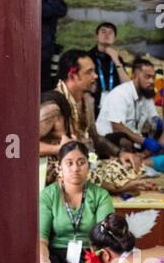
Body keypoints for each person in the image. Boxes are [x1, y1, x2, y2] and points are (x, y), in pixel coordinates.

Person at [39, 49, 142, 184]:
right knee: (123, 182)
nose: (95, 76)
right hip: (58, 169)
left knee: (133, 170)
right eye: (89, 72)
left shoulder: (85, 101)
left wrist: (120, 153)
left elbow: (96, 138)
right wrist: (58, 149)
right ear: (72, 76)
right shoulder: (52, 106)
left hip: (81, 163)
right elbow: (26, 144)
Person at [39, 140, 115, 263]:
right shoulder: (48, 195)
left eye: (81, 163)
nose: (75, 168)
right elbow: (41, 239)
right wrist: (43, 258)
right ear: (60, 167)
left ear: (88, 165)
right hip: (56, 256)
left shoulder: (100, 196)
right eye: (69, 163)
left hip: (90, 254)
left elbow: (103, 240)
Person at [96, 55, 164, 153]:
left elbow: (153, 119)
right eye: (147, 77)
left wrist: (158, 122)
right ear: (134, 76)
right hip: (108, 141)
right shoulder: (120, 94)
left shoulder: (146, 94)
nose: (152, 81)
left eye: (153, 77)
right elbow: (117, 127)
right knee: (125, 141)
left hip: (134, 141)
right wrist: (144, 141)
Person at [89, 21, 128, 113]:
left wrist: (116, 61)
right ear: (96, 37)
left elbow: (127, 86)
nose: (107, 34)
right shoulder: (87, 57)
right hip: (93, 104)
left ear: (114, 39)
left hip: (114, 106)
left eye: (110, 32)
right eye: (103, 31)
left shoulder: (118, 58)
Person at [41, 0, 68, 91]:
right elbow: (56, 10)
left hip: (45, 53)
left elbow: (61, 10)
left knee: (46, 89)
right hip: (31, 52)